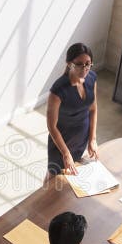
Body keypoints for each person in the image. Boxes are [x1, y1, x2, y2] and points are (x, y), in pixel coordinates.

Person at [45, 43, 99, 180]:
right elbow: (51, 126)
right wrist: (65, 153)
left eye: (88, 64)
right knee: (53, 178)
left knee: (71, 179)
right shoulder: (57, 91)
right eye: (79, 64)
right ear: (69, 64)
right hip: (61, 143)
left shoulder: (92, 78)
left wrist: (92, 139)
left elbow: (93, 109)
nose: (85, 68)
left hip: (81, 139)